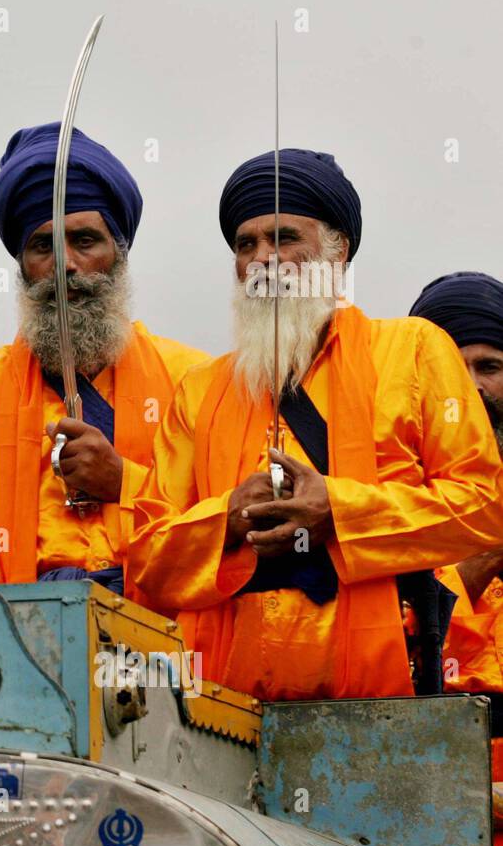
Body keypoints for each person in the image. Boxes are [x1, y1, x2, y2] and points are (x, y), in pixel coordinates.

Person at [127, 148, 503, 701]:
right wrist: (228, 518)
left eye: (284, 238)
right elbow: (146, 566)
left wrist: (340, 512)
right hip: (223, 719)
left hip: (387, 704)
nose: (263, 259)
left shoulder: (413, 350)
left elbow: (482, 507)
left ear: (338, 250)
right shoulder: (200, 391)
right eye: (246, 244)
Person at [0, 124, 207, 586]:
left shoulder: (193, 378)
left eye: (84, 240)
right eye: (43, 246)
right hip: (18, 633)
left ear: (119, 253)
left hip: (161, 633)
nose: (65, 265)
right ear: (20, 266)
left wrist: (124, 482)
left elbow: (219, 530)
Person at [408, 270, 503, 846]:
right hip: (418, 840)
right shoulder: (379, 510)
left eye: (489, 366)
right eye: (449, 368)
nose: (469, 388)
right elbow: (381, 681)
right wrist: (476, 568)